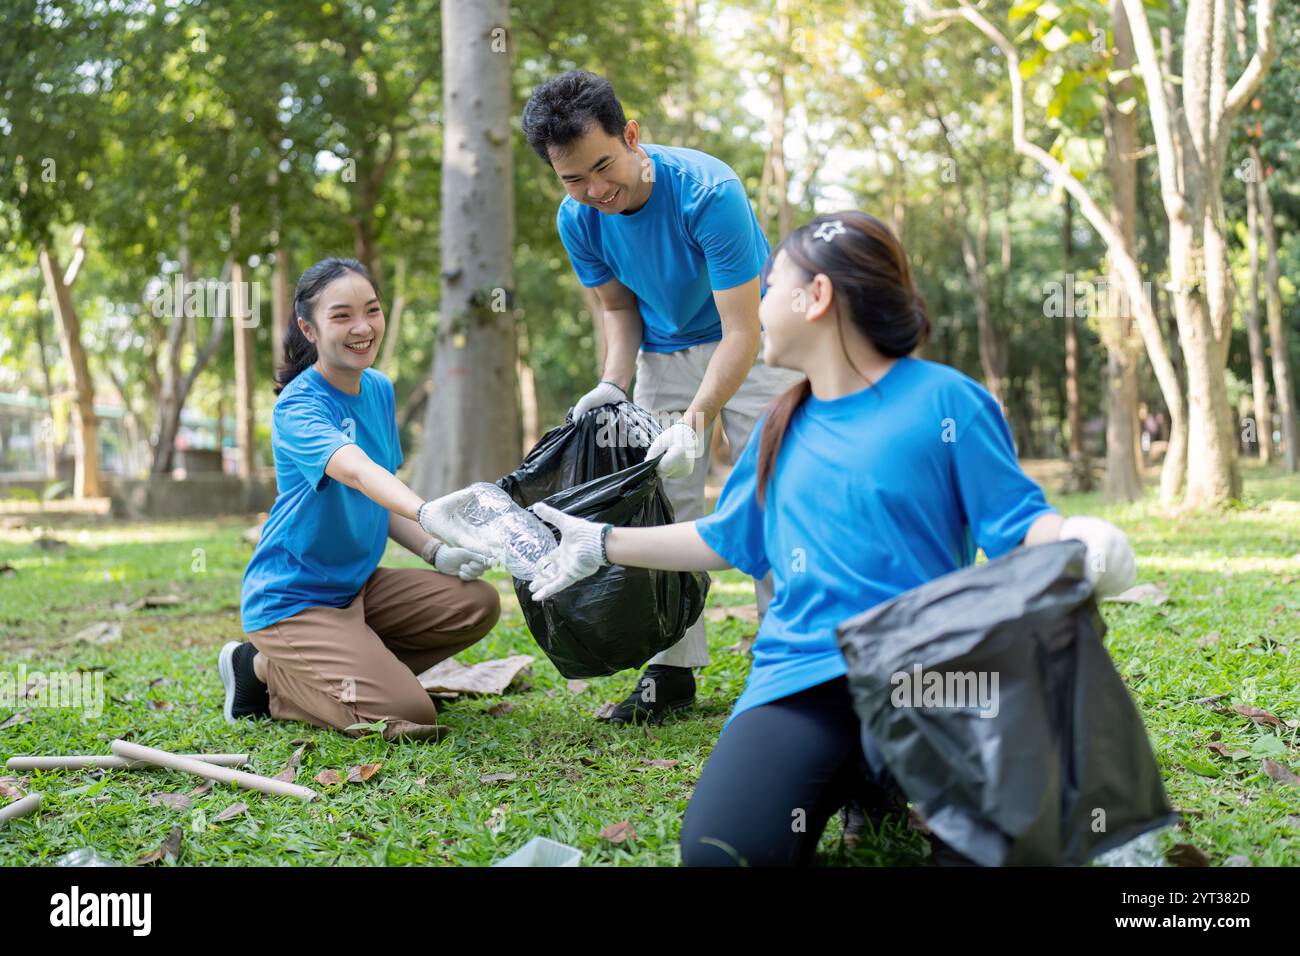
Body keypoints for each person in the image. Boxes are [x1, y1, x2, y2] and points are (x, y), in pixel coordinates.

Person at [524, 212, 1138, 865]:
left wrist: (1077, 536)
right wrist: (600, 544)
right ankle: (851, 777)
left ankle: (886, 782)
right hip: (800, 683)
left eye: (771, 286)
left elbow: (1018, 526)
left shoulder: (946, 403)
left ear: (816, 297)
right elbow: (726, 538)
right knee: (720, 854)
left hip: (925, 679)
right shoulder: (779, 424)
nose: (756, 304)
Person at [521, 69, 805, 724]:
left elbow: (742, 328)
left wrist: (698, 418)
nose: (594, 190)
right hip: (661, 355)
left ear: (631, 134)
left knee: (775, 488)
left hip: (753, 346)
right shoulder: (580, 220)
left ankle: (787, 661)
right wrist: (612, 386)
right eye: (572, 179)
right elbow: (620, 313)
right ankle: (672, 672)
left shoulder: (708, 191)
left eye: (603, 166)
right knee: (662, 504)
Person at [220, 258, 501, 743]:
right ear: (308, 328)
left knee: (476, 604)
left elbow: (378, 495)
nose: (362, 327)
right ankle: (268, 674)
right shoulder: (298, 407)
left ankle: (341, 667)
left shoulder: (378, 388)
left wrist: (436, 551)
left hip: (358, 588)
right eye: (341, 315)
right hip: (294, 599)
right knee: (412, 713)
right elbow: (358, 471)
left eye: (371, 310)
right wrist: (429, 512)